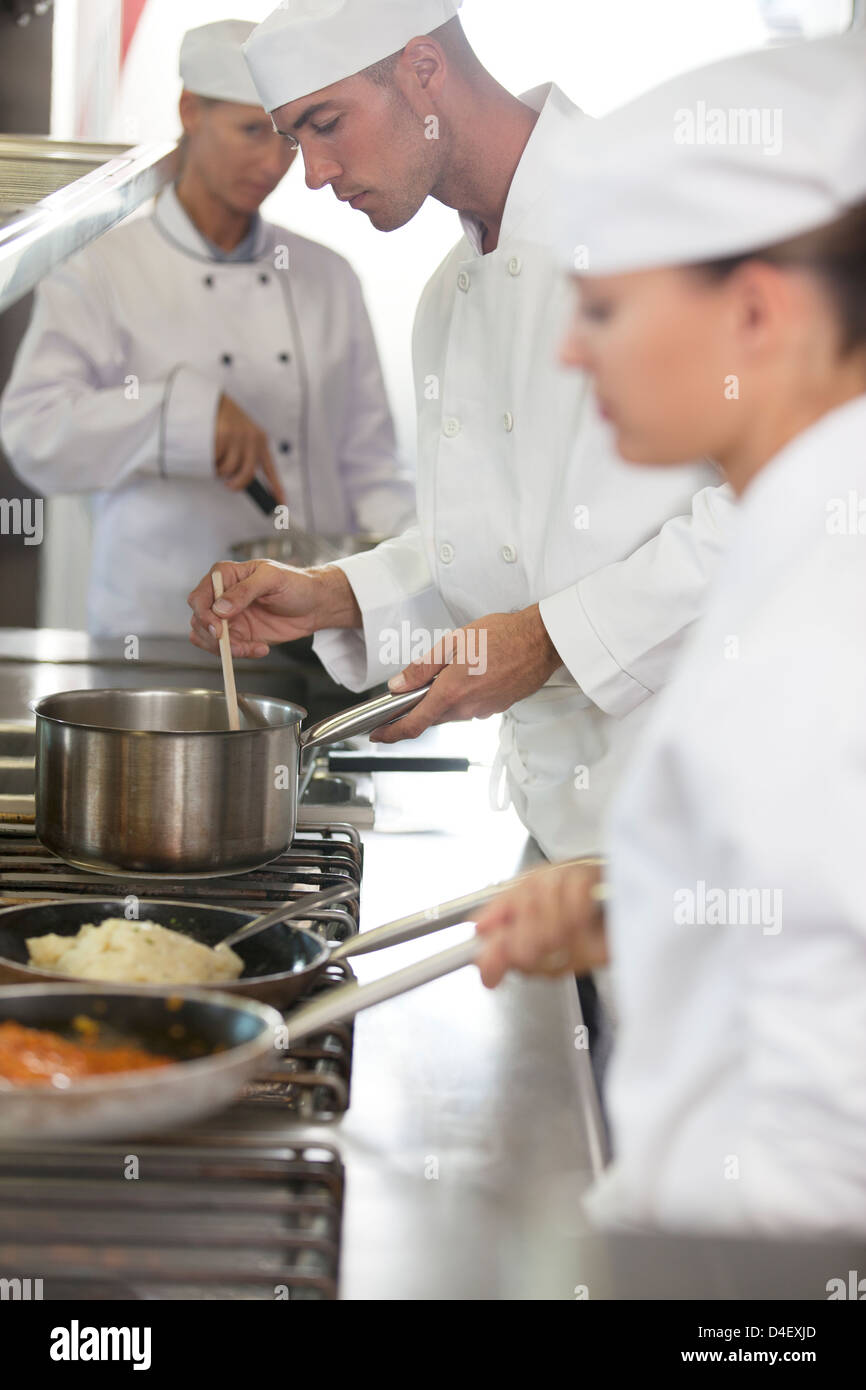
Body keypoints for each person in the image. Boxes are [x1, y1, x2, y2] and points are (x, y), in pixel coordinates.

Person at [186, 0, 735, 870]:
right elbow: (497, 550)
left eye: (325, 124)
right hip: (562, 840)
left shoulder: (669, 221)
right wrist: (336, 594)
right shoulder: (449, 295)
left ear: (422, 68)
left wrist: (552, 637)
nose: (316, 174)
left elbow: (802, 502)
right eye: (296, 140)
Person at [472, 28, 866, 1235]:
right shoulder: (792, 515)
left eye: (602, 305)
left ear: (751, 313)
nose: (568, 347)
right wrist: (628, 906)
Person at [0, 19, 414, 638]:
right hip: (159, 631)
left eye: (287, 139)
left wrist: (407, 591)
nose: (272, 163)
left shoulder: (328, 276)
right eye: (251, 132)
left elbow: (371, 464)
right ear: (190, 111)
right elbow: (33, 434)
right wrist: (186, 416)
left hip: (315, 633)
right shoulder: (100, 267)